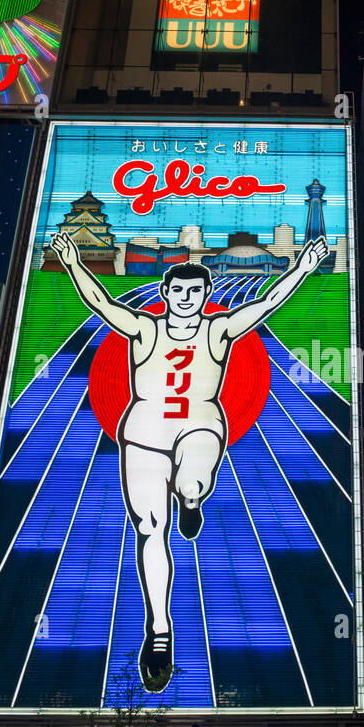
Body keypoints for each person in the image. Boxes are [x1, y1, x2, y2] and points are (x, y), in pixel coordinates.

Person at [51, 231, 326, 691]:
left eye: (195, 291)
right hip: (143, 430)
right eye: (177, 290)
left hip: (200, 420)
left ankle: (192, 497)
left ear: (206, 294)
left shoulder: (218, 330)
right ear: (165, 293)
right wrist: (74, 262)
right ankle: (159, 632)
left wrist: (301, 268)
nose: (185, 297)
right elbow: (101, 303)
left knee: (195, 477)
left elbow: (266, 305)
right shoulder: (144, 327)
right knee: (150, 528)